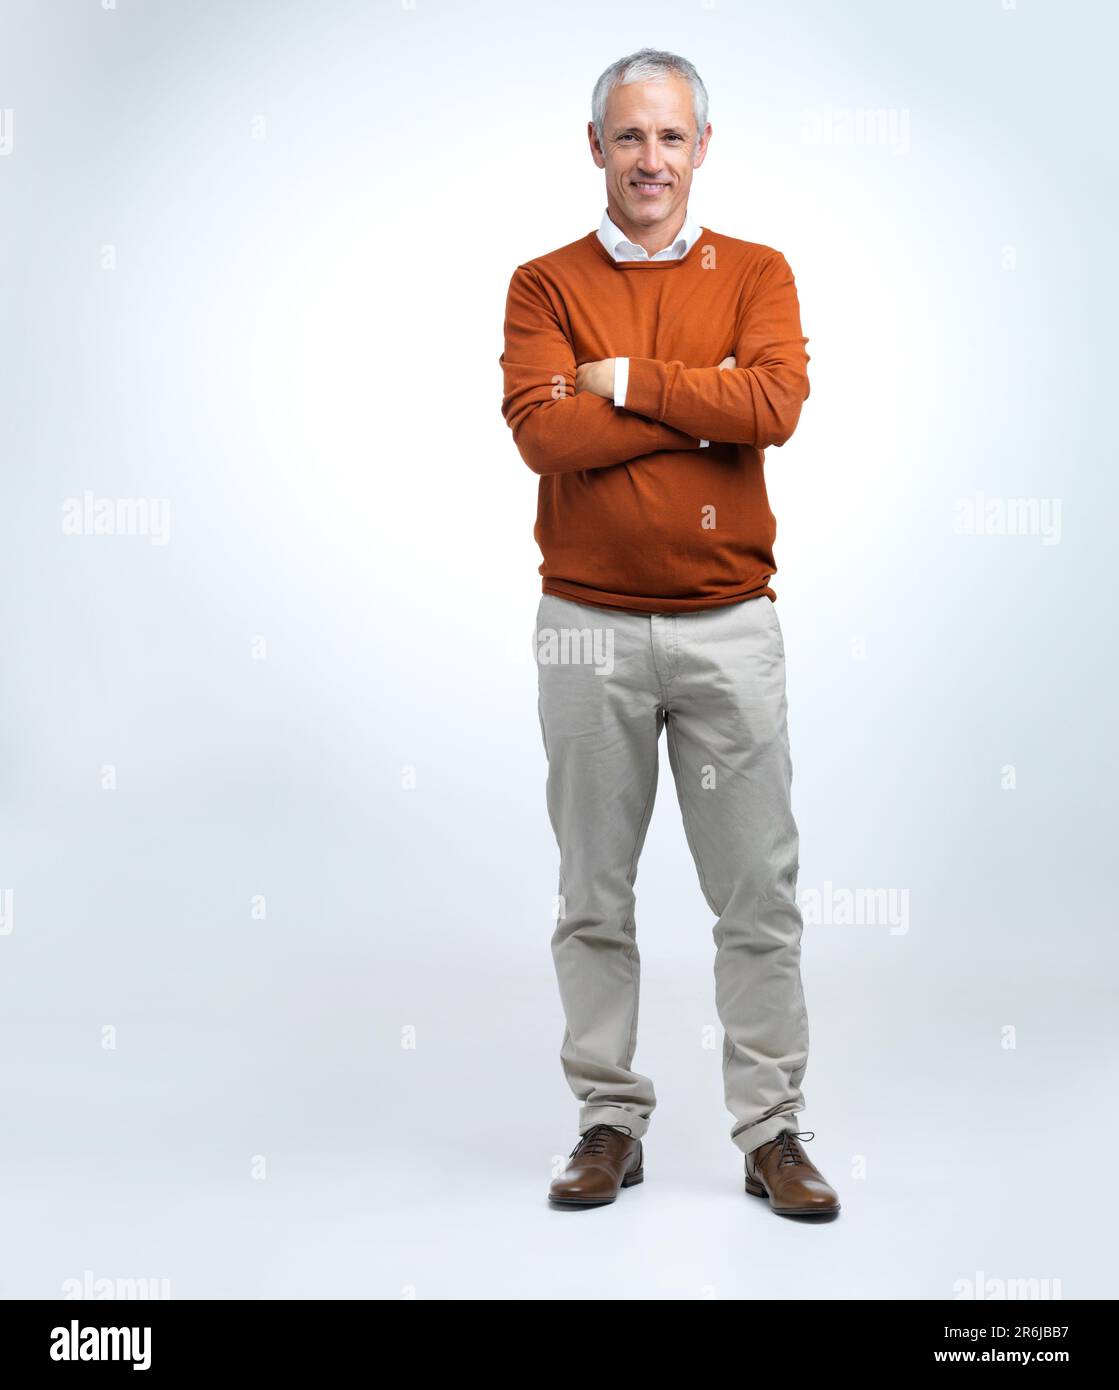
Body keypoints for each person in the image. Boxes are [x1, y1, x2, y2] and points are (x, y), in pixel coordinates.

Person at [499, 47, 839, 1218]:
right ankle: (608, 1119)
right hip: (584, 627)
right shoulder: (542, 286)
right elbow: (545, 440)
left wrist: (627, 379)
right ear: (596, 146)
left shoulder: (759, 273)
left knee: (758, 896)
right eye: (630, 137)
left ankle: (772, 1131)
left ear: (702, 149)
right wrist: (700, 404)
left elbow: (774, 407)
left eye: (672, 138)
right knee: (593, 888)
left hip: (729, 627)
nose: (651, 159)